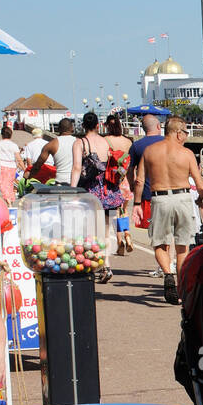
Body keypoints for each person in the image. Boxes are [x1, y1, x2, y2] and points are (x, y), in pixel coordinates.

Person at [134, 116, 203, 304]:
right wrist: (202, 199)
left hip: (160, 198)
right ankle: (181, 290)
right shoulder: (187, 153)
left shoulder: (149, 151)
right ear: (177, 132)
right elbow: (200, 184)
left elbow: (139, 181)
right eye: (185, 133)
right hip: (182, 197)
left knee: (159, 243)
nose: (186, 137)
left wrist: (136, 204)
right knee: (182, 247)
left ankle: (167, 274)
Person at [71, 112, 127, 284]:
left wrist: (72, 192)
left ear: (83, 126)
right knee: (105, 230)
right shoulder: (105, 142)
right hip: (109, 190)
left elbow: (76, 168)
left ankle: (93, 263)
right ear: (98, 125)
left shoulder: (80, 143)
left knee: (90, 230)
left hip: (90, 191)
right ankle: (107, 265)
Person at [128, 114, 167, 274]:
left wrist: (132, 187)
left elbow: (131, 171)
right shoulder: (167, 142)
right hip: (171, 191)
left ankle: (162, 266)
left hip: (148, 193)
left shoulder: (137, 146)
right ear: (158, 126)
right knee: (168, 232)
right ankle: (168, 263)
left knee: (156, 234)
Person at [100, 114, 134, 258]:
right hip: (125, 180)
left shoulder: (105, 140)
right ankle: (127, 234)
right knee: (124, 211)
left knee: (114, 214)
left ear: (107, 125)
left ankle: (120, 242)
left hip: (112, 181)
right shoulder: (128, 142)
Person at [25, 117, 76, 186]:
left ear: (58, 129)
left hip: (60, 181)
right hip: (76, 181)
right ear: (72, 128)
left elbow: (38, 165)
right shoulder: (79, 142)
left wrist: (30, 176)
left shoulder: (51, 144)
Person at [0, 126, 21, 207]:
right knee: (9, 185)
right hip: (12, 166)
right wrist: (24, 168)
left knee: (3, 185)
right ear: (11, 135)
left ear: (2, 134)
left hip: (2, 166)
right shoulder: (14, 145)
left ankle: (8, 202)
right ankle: (10, 201)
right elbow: (18, 158)